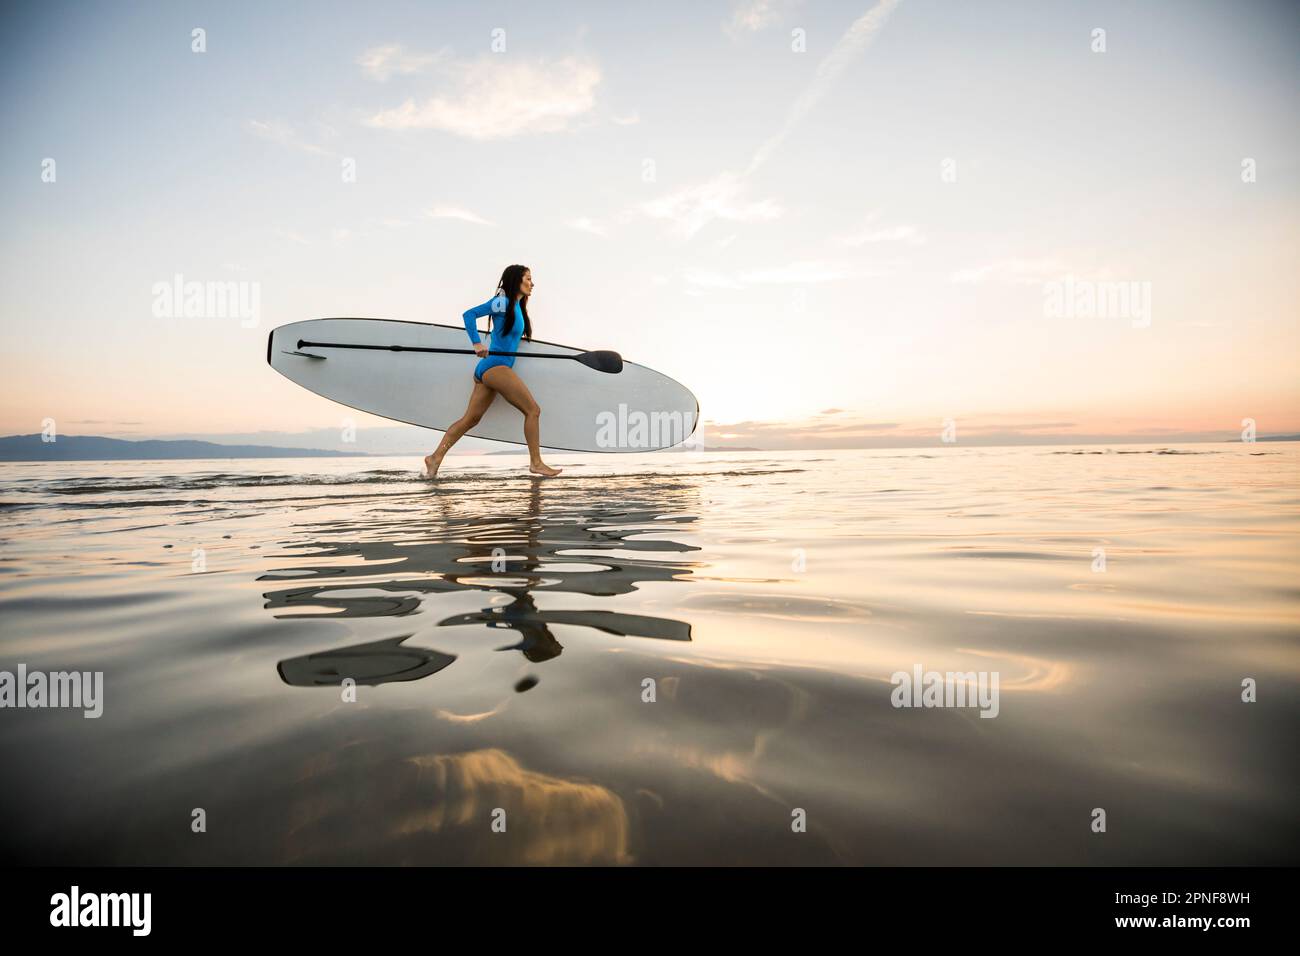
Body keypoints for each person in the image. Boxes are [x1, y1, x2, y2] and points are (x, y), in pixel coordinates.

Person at [424, 264, 562, 478]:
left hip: (490, 370)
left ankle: (435, 458)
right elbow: (469, 314)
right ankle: (536, 462)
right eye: (528, 278)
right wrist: (477, 344)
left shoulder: (516, 306)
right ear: (516, 280)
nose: (532, 283)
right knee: (533, 410)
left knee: (470, 419)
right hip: (495, 366)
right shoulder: (503, 302)